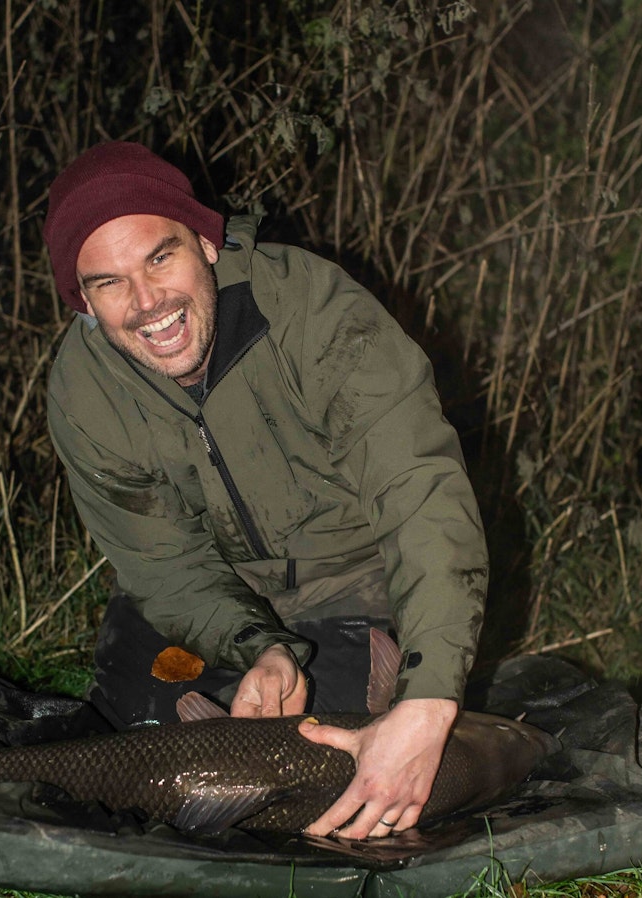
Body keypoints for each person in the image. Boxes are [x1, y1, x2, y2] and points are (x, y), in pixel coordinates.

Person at [43, 141, 489, 840]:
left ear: (207, 242)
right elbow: (164, 568)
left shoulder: (315, 313)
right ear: (85, 300)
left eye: (161, 256)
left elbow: (421, 496)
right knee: (133, 723)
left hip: (358, 588)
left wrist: (430, 702)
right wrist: (260, 648)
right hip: (229, 602)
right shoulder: (85, 391)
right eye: (108, 282)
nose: (146, 303)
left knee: (336, 761)